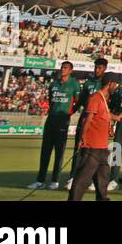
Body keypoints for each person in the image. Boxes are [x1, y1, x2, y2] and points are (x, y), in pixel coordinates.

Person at [29, 60, 80, 191]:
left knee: (59, 152)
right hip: (51, 119)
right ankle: (40, 180)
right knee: (45, 151)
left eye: (66, 68)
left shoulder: (74, 84)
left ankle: (55, 180)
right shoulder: (54, 84)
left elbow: (78, 102)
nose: (63, 70)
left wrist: (69, 113)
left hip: (63, 120)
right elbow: (51, 100)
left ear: (70, 71)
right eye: (62, 67)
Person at [68, 73, 119, 202]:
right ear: (110, 84)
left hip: (102, 147)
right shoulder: (95, 98)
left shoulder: (103, 99)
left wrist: (115, 120)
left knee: (103, 180)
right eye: (116, 84)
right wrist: (82, 138)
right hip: (92, 147)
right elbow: (87, 119)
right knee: (82, 180)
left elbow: (105, 116)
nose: (116, 87)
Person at [66, 57, 107, 190]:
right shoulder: (88, 83)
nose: (97, 70)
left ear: (105, 69)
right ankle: (73, 177)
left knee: (95, 154)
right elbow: (80, 102)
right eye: (95, 67)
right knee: (79, 150)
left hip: (98, 124)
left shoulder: (105, 85)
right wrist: (70, 113)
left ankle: (93, 180)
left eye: (99, 68)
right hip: (85, 120)